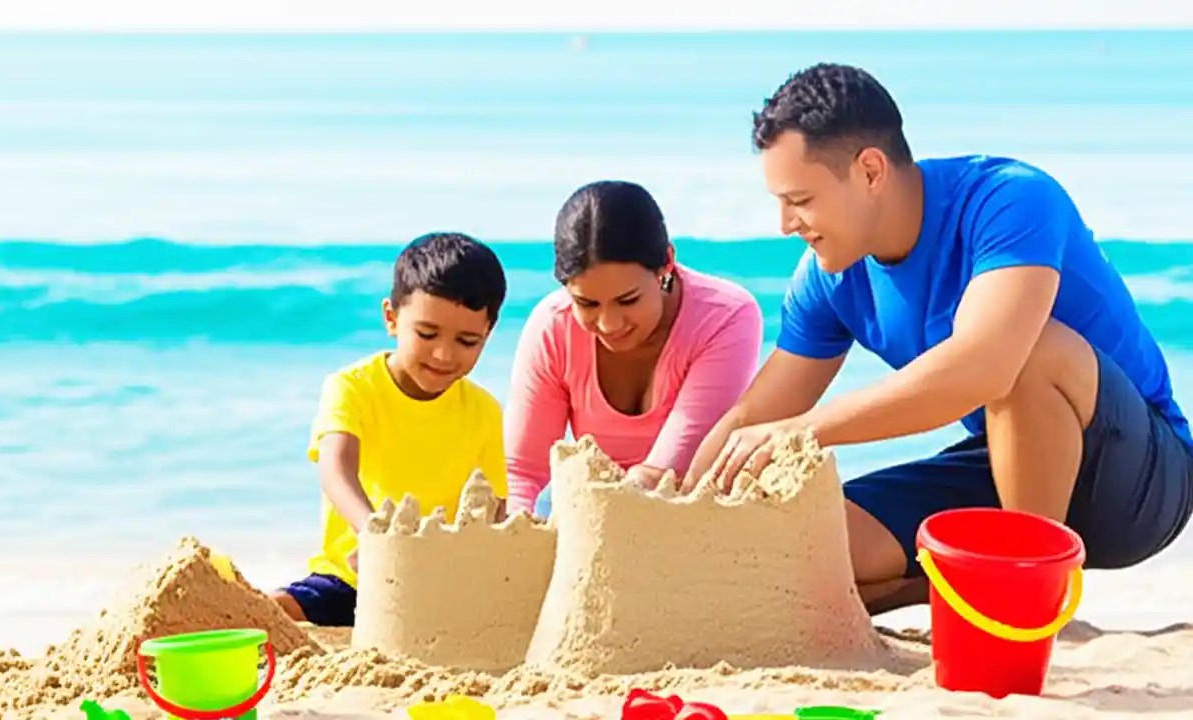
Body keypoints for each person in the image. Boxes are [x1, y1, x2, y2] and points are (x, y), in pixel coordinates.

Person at [685, 63, 1193, 614]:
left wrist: (804, 431)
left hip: (1138, 482)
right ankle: (975, 586)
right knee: (802, 545)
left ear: (871, 171)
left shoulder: (1009, 200)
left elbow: (985, 368)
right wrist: (677, 509)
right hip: (1004, 465)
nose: (785, 223)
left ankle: (1023, 597)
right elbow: (754, 417)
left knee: (1028, 350)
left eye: (800, 200)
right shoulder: (828, 277)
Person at [272, 232, 509, 626]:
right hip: (356, 575)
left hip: (440, 586)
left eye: (467, 341)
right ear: (391, 318)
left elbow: (493, 510)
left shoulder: (484, 410)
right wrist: (375, 537)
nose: (443, 354)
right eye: (427, 334)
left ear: (488, 335)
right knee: (283, 608)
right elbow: (336, 468)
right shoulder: (353, 387)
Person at [505, 180, 764, 516]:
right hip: (602, 507)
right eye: (587, 303)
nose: (609, 323)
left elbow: (668, 475)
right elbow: (523, 473)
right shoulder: (554, 326)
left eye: (628, 300)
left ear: (666, 263)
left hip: (694, 511)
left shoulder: (725, 317)